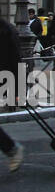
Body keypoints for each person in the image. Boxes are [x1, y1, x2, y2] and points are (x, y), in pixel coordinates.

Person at [0, 18, 24, 172]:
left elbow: (16, 61)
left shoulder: (6, 31)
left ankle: (12, 148)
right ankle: (11, 149)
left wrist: (17, 91)